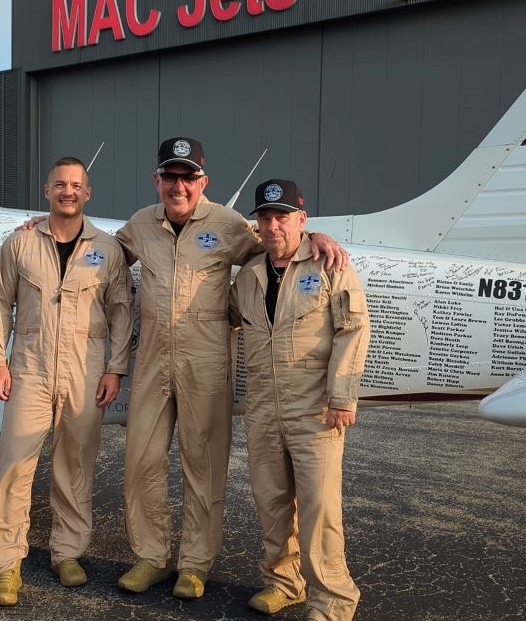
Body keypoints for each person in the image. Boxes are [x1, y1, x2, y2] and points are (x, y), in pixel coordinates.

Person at [114, 139, 348, 600]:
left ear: (203, 181)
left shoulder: (228, 225)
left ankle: (194, 565)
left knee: (202, 466)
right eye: (170, 176)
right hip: (152, 362)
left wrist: (318, 236)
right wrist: (50, 225)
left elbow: (279, 238)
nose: (178, 186)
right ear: (157, 180)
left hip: (205, 364)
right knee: (141, 462)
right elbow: (100, 253)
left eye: (188, 177)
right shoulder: (140, 225)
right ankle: (150, 557)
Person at [0, 156, 134, 607]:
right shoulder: (21, 244)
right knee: (14, 468)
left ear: (87, 194)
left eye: (76, 185)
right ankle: (6, 564)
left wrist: (115, 368)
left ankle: (67, 552)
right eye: (60, 184)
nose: (68, 191)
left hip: (85, 372)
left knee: (75, 466)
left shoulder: (107, 249)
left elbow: (122, 311)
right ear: (47, 190)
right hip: (29, 368)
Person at [229, 179, 369, 621]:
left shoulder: (330, 264)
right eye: (265, 218)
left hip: (315, 409)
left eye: (283, 217)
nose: (273, 226)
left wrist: (343, 397)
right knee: (270, 502)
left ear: (302, 221)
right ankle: (284, 583)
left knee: (319, 508)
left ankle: (332, 601)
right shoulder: (249, 275)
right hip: (263, 409)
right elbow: (232, 321)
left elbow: (353, 329)